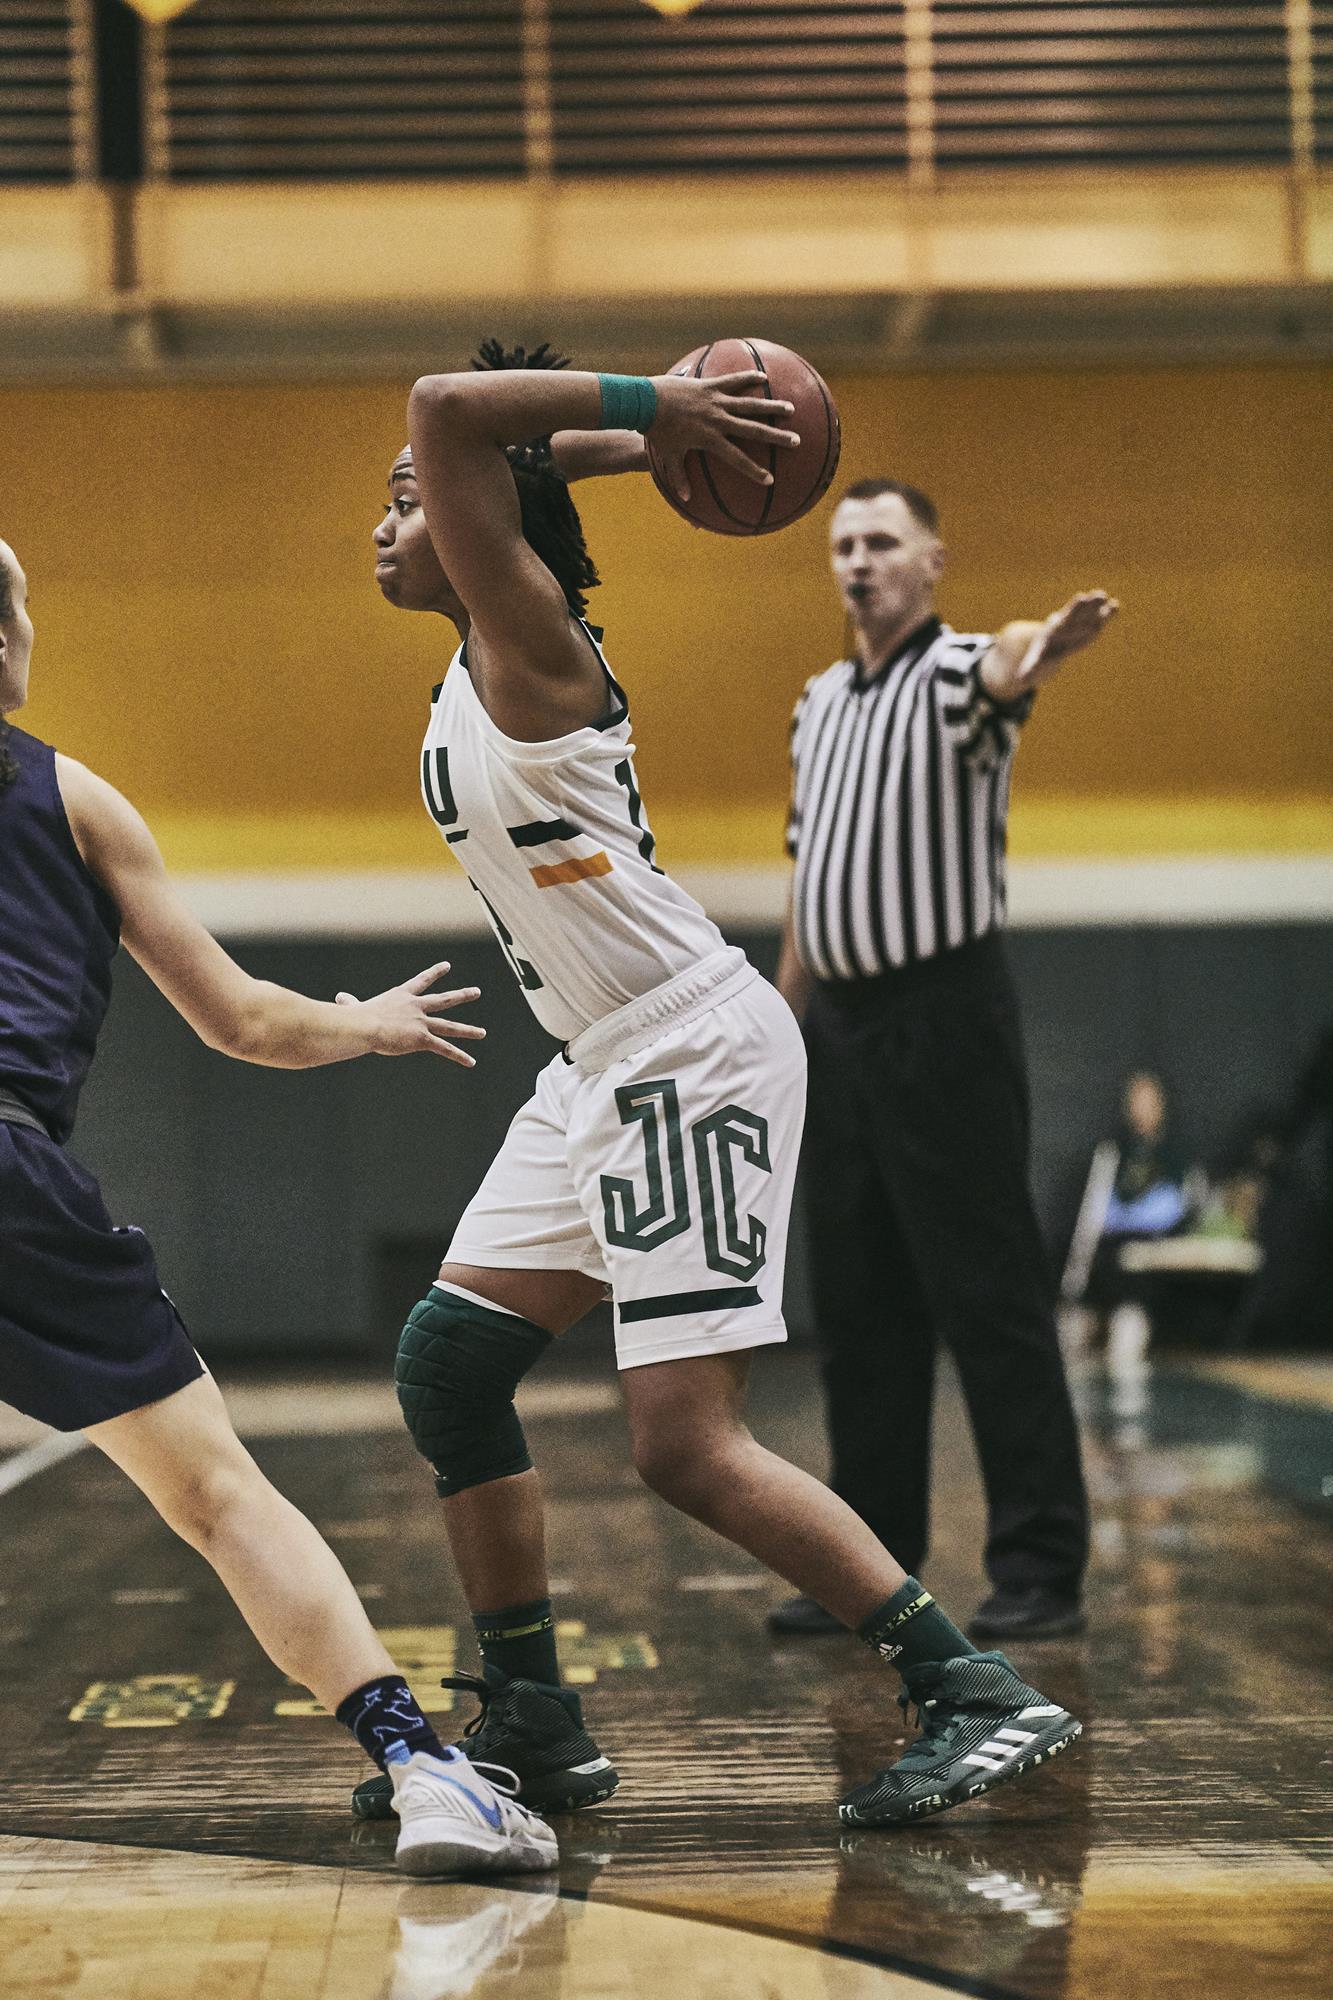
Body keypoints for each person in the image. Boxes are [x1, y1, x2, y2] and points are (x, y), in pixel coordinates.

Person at [349, 340, 1082, 1834]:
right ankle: (537, 1721)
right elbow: (484, 450)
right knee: (448, 1367)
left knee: (683, 1442)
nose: (386, 517)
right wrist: (628, 445)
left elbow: (448, 411)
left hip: (685, 1040)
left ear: (473, 523)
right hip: (599, 1061)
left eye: (409, 502)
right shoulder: (479, 636)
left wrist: (657, 408)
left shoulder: (529, 631)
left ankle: (970, 1688)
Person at [0, 539, 553, 1878]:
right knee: (217, 1496)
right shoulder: (73, 799)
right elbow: (243, 1019)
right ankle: (426, 1772)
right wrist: (363, 1023)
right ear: (7, 643)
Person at [768, 478, 1115, 1645]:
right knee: (860, 1306)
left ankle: (1039, 1563)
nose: (858, 561)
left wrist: (1047, 645)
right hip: (842, 1029)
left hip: (944, 1013)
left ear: (931, 563)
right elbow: (807, 883)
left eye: (882, 543)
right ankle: (871, 1567)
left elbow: (1009, 662)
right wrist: (780, 1029)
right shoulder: (818, 701)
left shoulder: (959, 671)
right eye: (844, 544)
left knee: (988, 1290)